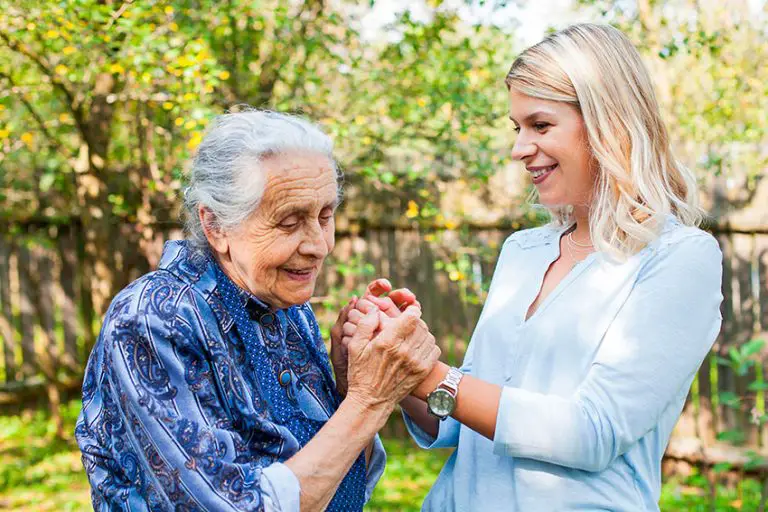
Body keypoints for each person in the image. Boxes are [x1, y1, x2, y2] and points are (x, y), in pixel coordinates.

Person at [343, 23, 724, 511]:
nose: (519, 148)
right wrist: (388, 357)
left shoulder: (678, 258)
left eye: (540, 126)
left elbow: (593, 432)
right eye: (517, 127)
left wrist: (424, 371)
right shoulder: (523, 251)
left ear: (609, 123)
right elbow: (460, 419)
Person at [74, 110, 439, 511]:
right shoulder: (153, 319)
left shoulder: (281, 304)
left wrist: (349, 386)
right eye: (289, 222)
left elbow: (334, 484)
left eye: (325, 216)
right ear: (215, 226)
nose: (319, 245)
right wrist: (369, 401)